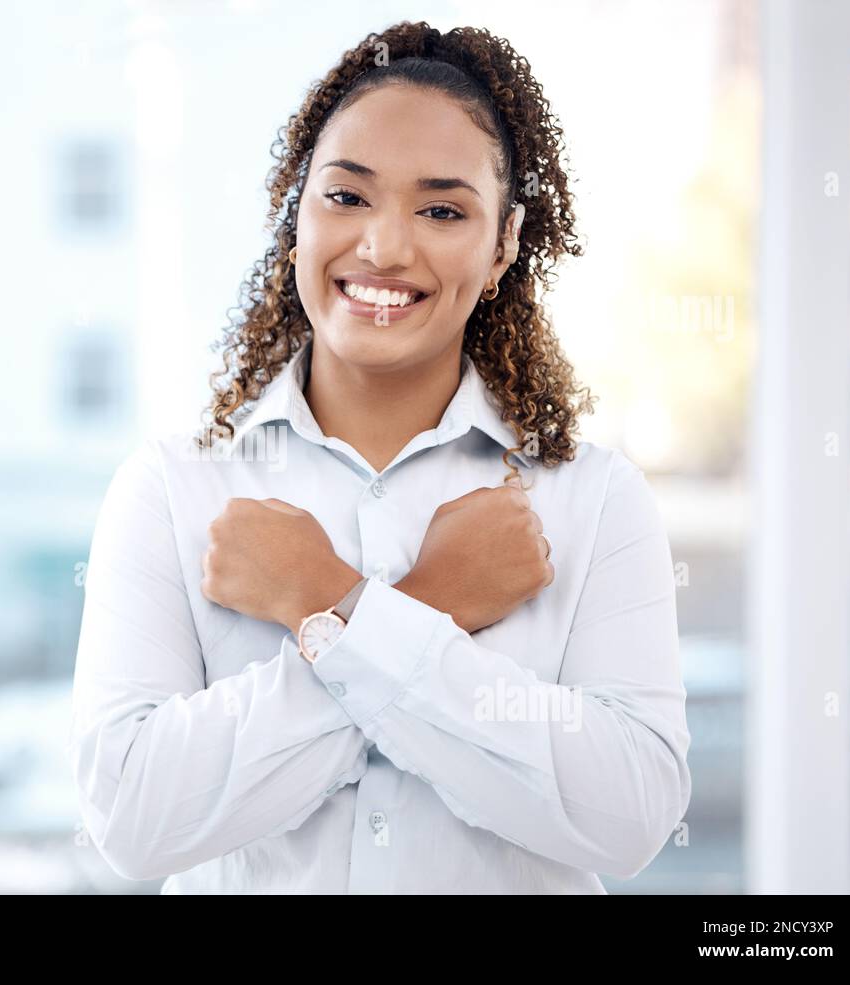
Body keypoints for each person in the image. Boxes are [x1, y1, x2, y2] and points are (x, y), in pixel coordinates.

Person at [68, 21, 690, 893]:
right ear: (299, 216)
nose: (384, 247)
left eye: (441, 210)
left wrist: (327, 604)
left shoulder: (594, 500)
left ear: (504, 242)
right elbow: (132, 819)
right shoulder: (173, 489)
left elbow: (627, 818)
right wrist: (432, 603)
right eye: (347, 197)